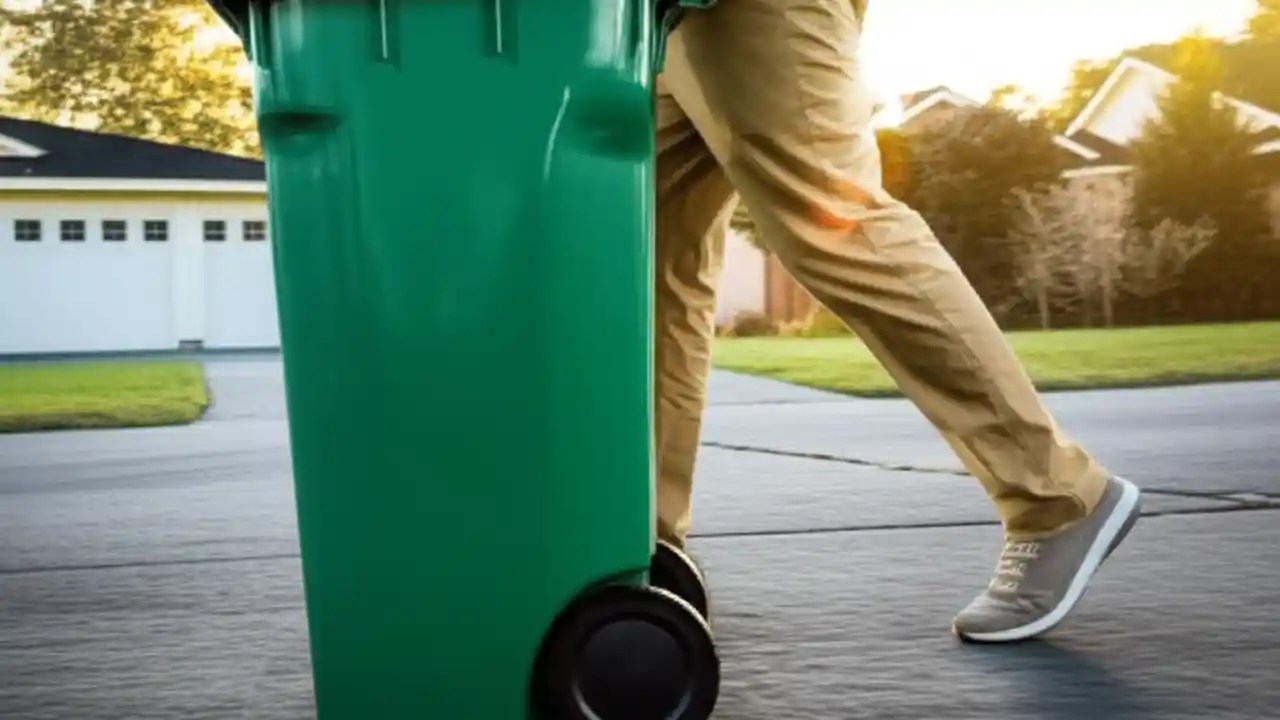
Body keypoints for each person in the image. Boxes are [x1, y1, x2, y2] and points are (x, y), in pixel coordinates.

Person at [652, 0, 1142, 643]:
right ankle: (647, 543)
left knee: (837, 225)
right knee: (648, 259)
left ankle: (1055, 494)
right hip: (664, 22)